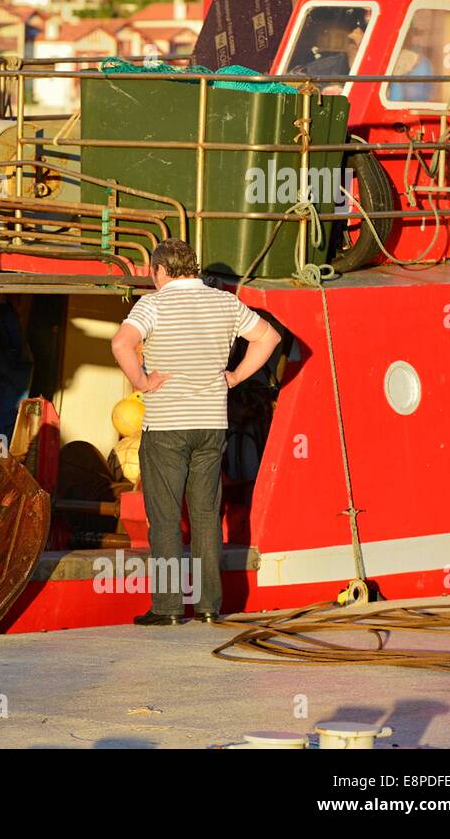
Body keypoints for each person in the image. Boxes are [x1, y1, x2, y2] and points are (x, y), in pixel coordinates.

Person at [110, 239, 280, 625]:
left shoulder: (153, 304)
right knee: (205, 516)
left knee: (166, 518)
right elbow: (268, 337)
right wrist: (235, 376)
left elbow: (121, 343)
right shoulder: (224, 302)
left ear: (159, 271)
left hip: (167, 426)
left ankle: (168, 608)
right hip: (210, 425)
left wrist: (143, 380)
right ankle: (208, 607)